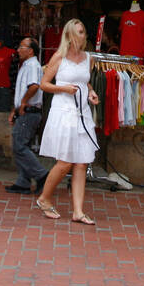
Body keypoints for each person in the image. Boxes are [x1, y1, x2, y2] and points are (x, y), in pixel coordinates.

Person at [35, 19, 100, 225]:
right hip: (63, 112)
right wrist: (63, 88)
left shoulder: (89, 58)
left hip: (82, 112)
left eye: (84, 32)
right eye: (80, 32)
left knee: (81, 162)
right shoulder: (59, 57)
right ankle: (44, 198)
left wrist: (90, 91)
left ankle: (78, 211)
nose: (83, 35)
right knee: (65, 163)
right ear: (71, 35)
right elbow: (43, 84)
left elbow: (84, 79)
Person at [6, 36, 48, 195]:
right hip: (26, 110)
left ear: (30, 50)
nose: (18, 50)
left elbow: (34, 86)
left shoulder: (32, 66)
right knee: (24, 145)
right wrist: (15, 109)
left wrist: (23, 102)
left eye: (21, 47)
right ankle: (23, 181)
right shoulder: (27, 65)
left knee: (19, 145)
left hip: (29, 111)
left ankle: (41, 174)